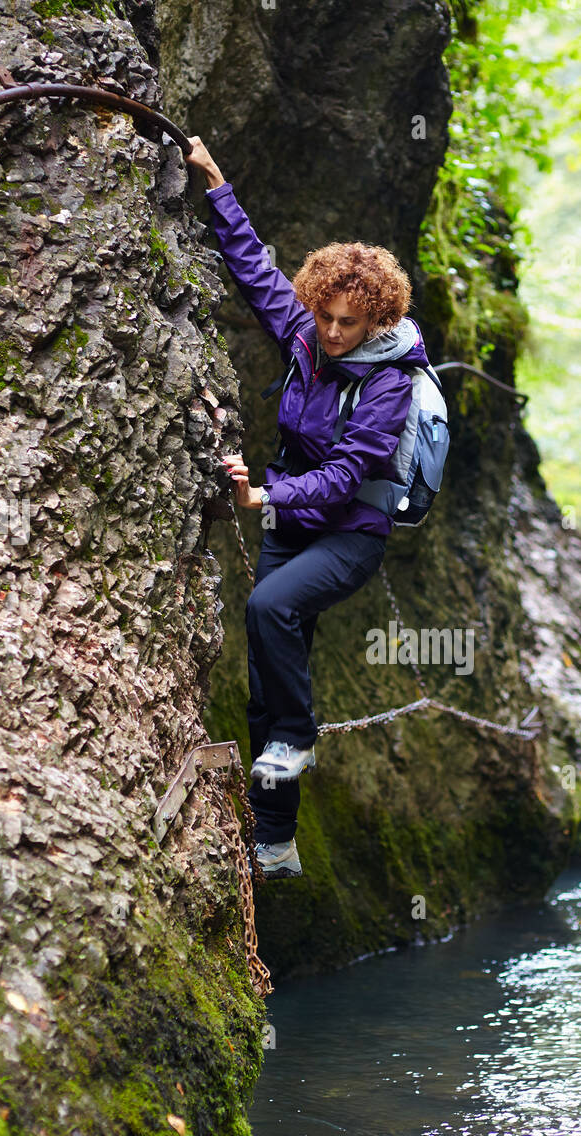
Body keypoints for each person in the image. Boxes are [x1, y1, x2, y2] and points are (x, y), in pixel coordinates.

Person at [185, 136, 431, 878]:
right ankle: (275, 840)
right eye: (323, 315)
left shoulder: (389, 383)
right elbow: (256, 272)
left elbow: (350, 471)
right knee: (264, 687)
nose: (330, 332)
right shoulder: (304, 333)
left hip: (349, 533)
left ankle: (300, 735)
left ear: (376, 322)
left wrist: (265, 494)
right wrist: (218, 186)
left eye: (347, 323)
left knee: (268, 611)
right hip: (291, 522)